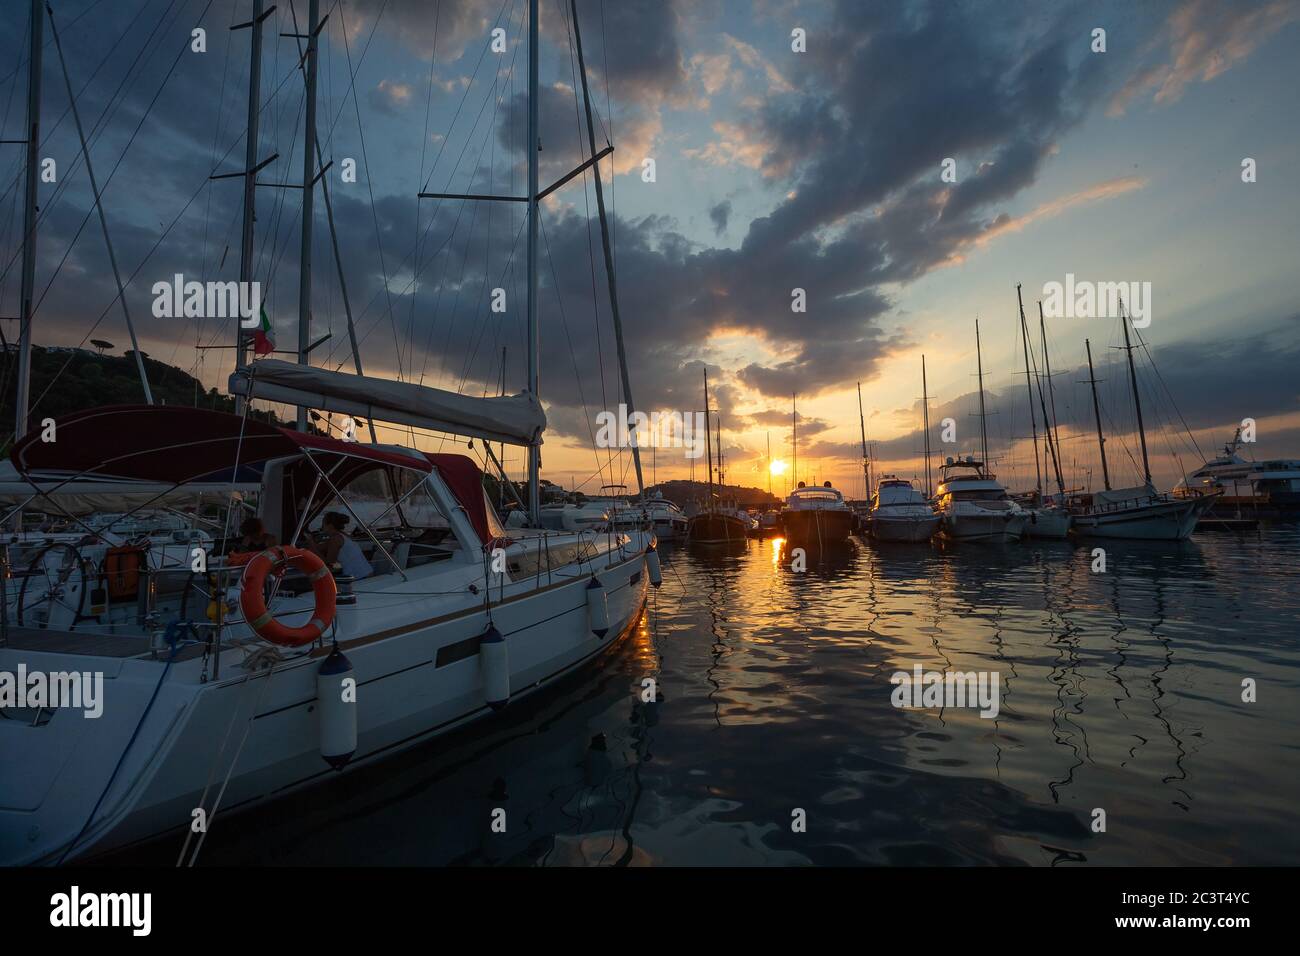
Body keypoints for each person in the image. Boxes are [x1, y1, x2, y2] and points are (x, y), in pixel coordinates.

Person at [310, 511, 373, 580]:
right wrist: (312, 544)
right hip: (367, 573)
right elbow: (321, 547)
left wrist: (311, 544)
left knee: (313, 578)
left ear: (330, 526)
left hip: (359, 578)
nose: (322, 527)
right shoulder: (343, 535)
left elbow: (329, 563)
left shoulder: (336, 539)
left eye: (323, 525)